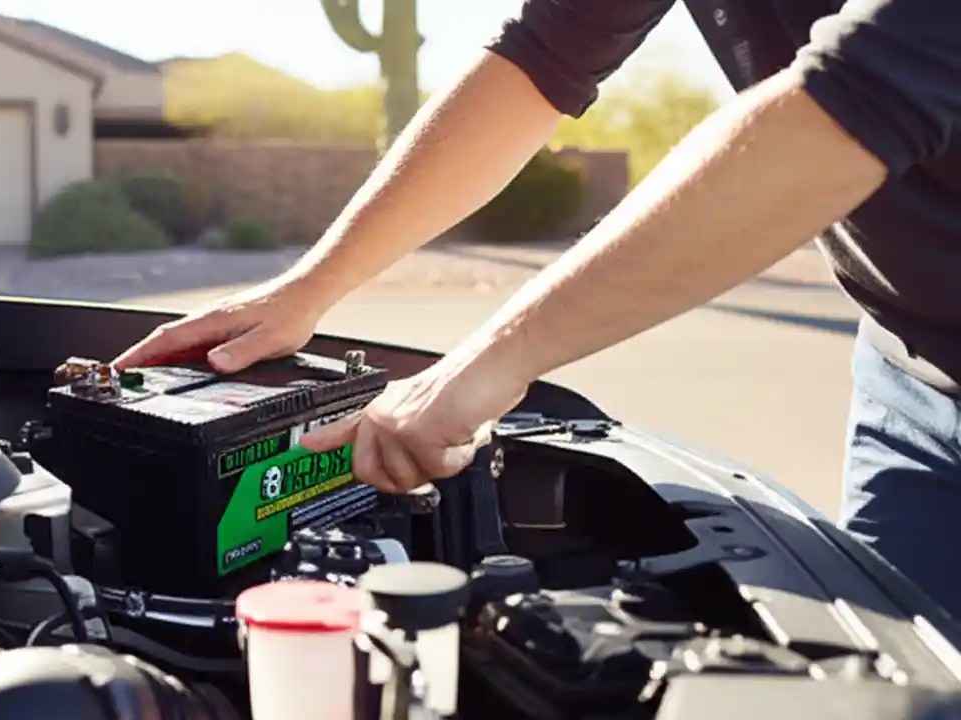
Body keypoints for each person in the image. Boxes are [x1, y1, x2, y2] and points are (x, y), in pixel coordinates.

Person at [114, 1, 961, 615]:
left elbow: (842, 110)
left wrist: (496, 357)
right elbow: (540, 59)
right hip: (909, 380)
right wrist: (309, 287)